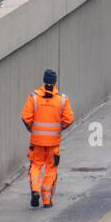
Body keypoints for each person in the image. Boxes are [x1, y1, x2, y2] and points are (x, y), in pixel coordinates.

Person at [22, 69, 74, 209]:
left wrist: (33, 130)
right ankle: (46, 200)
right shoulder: (62, 99)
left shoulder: (33, 97)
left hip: (37, 141)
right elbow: (69, 119)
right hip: (53, 142)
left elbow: (26, 118)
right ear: (55, 81)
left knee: (36, 166)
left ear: (43, 80)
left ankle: (35, 190)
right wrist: (59, 129)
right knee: (51, 169)